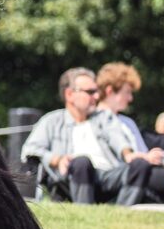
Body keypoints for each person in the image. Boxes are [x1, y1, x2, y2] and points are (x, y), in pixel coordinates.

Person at [21, 67, 147, 205]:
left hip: (107, 176)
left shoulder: (104, 117)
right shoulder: (51, 121)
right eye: (90, 92)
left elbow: (117, 138)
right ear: (69, 94)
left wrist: (128, 154)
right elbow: (30, 149)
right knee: (82, 162)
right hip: (72, 177)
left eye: (96, 91)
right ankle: (85, 211)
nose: (97, 97)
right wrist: (57, 159)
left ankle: (122, 215)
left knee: (139, 165)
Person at [93, 62, 164, 206]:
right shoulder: (95, 120)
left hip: (143, 170)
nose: (130, 98)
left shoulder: (127, 122)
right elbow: (119, 154)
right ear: (109, 91)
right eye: (127, 92)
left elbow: (144, 153)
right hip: (123, 175)